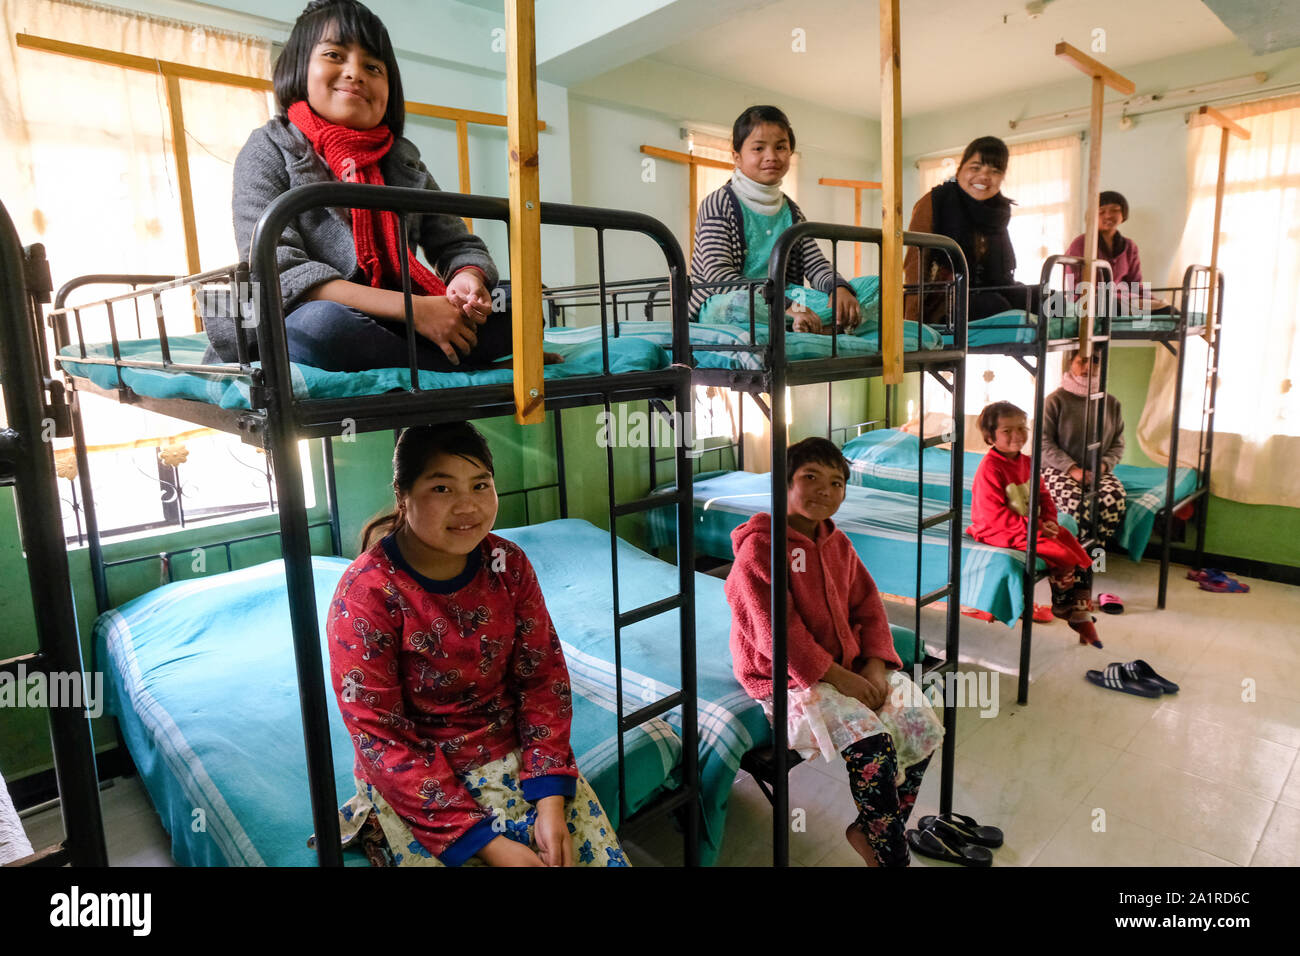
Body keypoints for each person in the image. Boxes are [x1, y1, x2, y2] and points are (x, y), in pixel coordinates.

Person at [324, 422, 626, 867]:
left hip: (515, 751)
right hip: (420, 779)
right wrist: (491, 845)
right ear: (402, 495)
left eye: (480, 484)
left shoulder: (508, 564)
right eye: (442, 488)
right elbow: (379, 733)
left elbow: (542, 679)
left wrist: (548, 800)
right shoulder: (367, 594)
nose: (468, 506)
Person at [205, 0, 515, 372]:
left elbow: (457, 243)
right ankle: (450, 358)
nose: (355, 73)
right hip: (314, 314)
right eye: (335, 55)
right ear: (299, 67)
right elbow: (281, 272)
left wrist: (467, 280)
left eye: (373, 66)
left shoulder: (401, 158)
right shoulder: (269, 146)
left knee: (520, 306)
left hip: (394, 318)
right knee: (323, 326)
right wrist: (415, 310)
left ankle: (425, 349)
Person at [724, 438, 944, 866]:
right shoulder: (760, 549)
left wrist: (876, 667)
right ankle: (891, 857)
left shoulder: (836, 543)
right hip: (787, 677)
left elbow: (869, 605)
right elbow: (778, 635)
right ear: (784, 483)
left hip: (848, 667)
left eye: (837, 482)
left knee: (922, 723)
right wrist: (845, 680)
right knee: (871, 746)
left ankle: (872, 831)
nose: (825, 490)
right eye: (811, 478)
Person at [690, 105, 874, 333]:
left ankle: (808, 324)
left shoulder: (792, 212)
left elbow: (815, 264)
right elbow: (718, 275)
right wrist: (787, 306)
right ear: (737, 157)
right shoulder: (718, 203)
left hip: (789, 300)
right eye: (758, 148)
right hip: (732, 299)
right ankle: (821, 326)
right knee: (734, 305)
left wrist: (837, 288)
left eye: (780, 147)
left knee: (873, 287)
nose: (771, 156)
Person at [967, 402, 1103, 648]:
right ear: (990, 437)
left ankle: (1079, 611)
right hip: (998, 530)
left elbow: (1043, 496)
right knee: (1061, 554)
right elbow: (993, 515)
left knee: (1080, 555)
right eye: (1007, 431)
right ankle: (1063, 605)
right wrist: (1038, 527)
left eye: (1021, 428)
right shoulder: (990, 468)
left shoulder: (1028, 462)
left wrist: (1049, 520)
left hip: (1029, 526)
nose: (1017, 435)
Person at [904, 135, 1042, 323]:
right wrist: (912, 325)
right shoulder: (935, 202)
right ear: (960, 169)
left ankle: (1085, 324)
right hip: (945, 299)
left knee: (1048, 298)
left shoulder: (998, 211)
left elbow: (1001, 278)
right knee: (996, 305)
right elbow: (915, 267)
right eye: (975, 168)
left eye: (995, 171)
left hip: (992, 289)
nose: (984, 177)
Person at [1041, 349, 1128, 547]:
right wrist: (1072, 469)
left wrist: (1103, 468)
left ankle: (1095, 556)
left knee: (1114, 499)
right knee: (1078, 505)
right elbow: (1044, 442)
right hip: (1055, 469)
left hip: (1096, 471)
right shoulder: (1055, 401)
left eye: (1095, 361)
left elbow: (1118, 444)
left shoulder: (1111, 403)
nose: (1088, 367)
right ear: (1070, 362)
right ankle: (1073, 562)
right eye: (1082, 361)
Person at [1065, 190, 1170, 315]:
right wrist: (1125, 298)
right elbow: (1079, 286)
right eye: (1101, 211)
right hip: (1091, 302)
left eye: (1115, 210)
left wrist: (1155, 302)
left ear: (1123, 215)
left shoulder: (1129, 247)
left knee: (1169, 311)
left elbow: (1136, 285)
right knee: (1109, 304)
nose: (1108, 215)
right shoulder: (1082, 243)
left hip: (1123, 301)